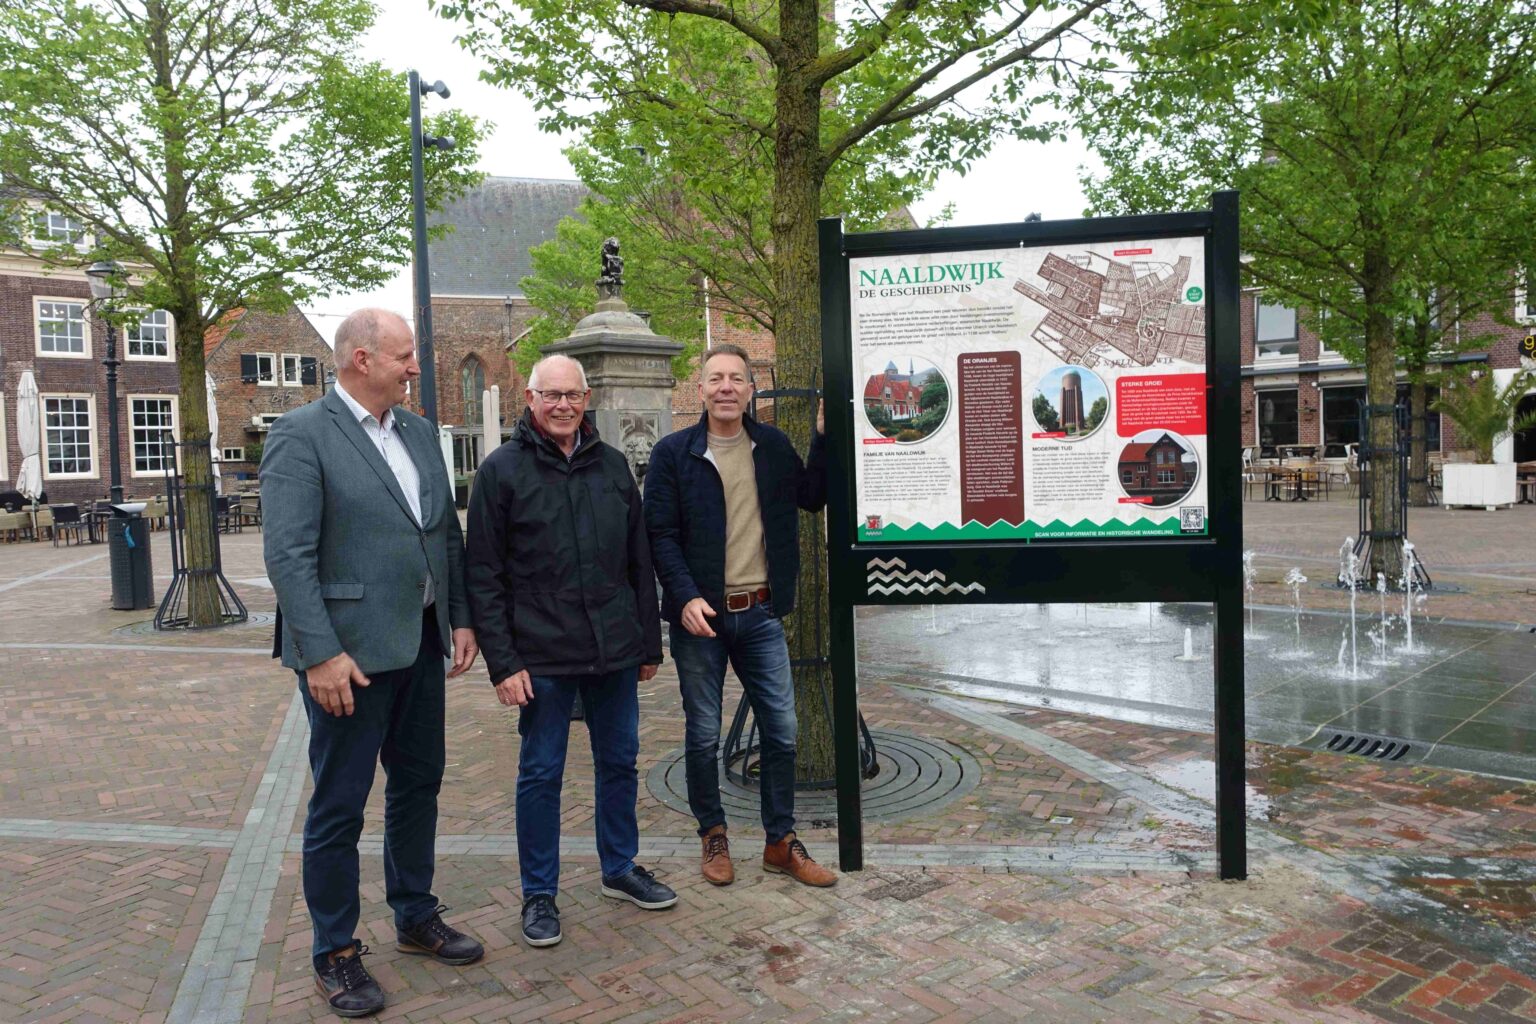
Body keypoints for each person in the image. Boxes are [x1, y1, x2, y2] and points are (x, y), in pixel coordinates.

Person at [262, 309, 483, 1018]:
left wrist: (460, 618)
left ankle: (415, 913)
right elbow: (287, 556)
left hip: (418, 642)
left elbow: (443, 531)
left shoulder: (418, 432)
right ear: (362, 359)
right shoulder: (302, 435)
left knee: (419, 785)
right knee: (340, 804)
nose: (415, 366)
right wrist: (320, 654)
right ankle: (335, 950)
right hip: (347, 657)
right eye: (405, 356)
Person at [466, 353, 673, 950]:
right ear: (529, 399)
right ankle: (539, 893)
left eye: (572, 395)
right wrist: (503, 664)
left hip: (612, 651)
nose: (562, 405)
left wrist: (646, 641)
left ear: (587, 401)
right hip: (541, 657)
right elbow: (484, 574)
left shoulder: (611, 466)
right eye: (550, 395)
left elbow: (639, 562)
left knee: (619, 764)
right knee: (540, 775)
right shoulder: (501, 472)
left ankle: (620, 868)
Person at [643, 344, 835, 888]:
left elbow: (812, 497)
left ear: (750, 390)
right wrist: (683, 596)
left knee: (783, 730)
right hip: (699, 620)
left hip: (760, 614)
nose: (726, 387)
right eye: (715, 378)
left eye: (737, 379)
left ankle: (779, 840)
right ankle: (713, 834)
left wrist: (821, 437)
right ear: (700, 389)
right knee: (703, 733)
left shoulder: (771, 446)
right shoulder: (673, 454)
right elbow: (660, 534)